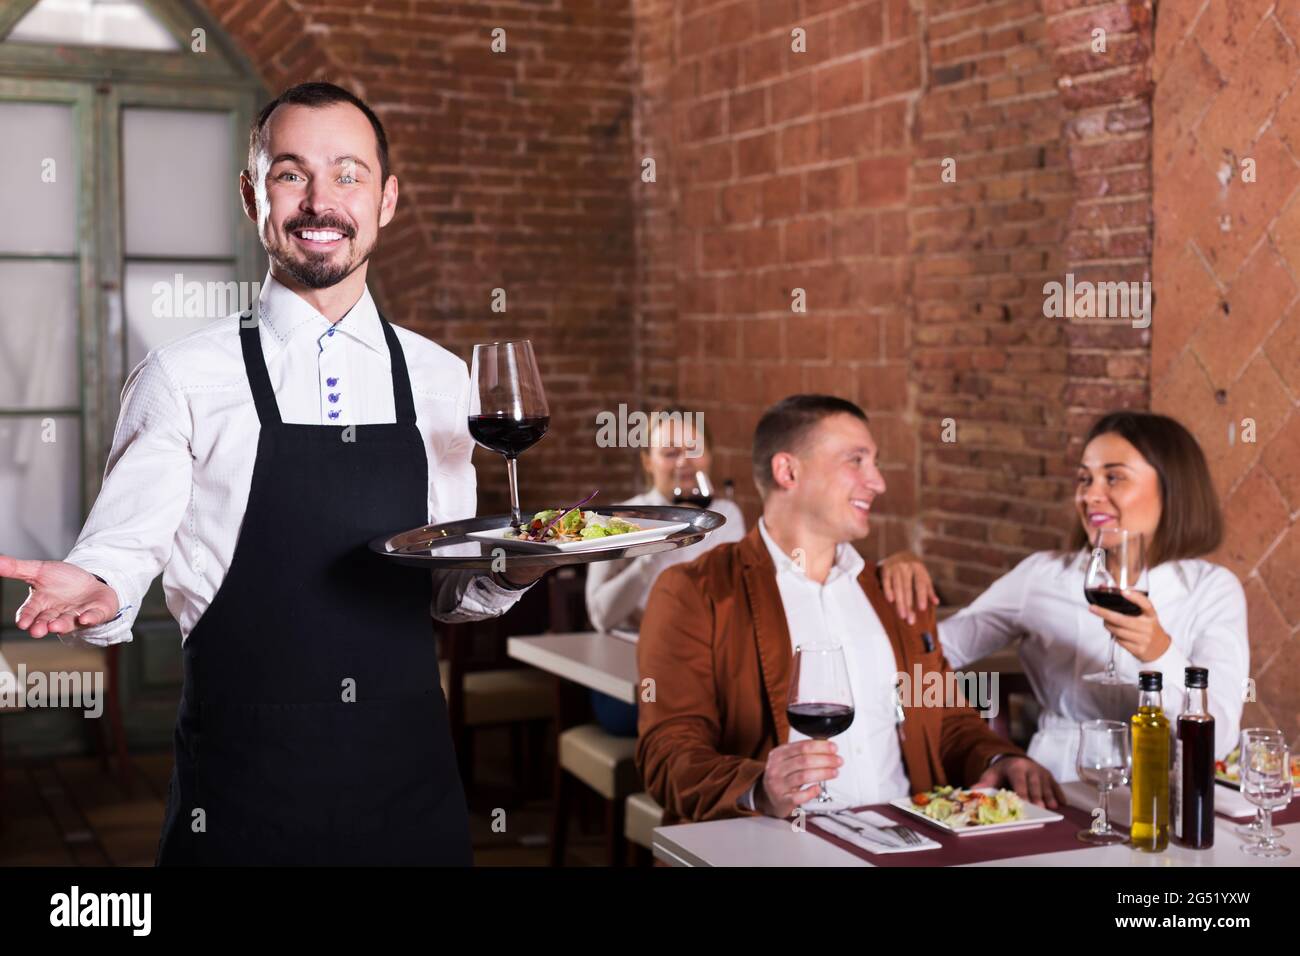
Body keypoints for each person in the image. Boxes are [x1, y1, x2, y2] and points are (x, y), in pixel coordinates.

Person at [0, 82, 545, 865]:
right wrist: (98, 585)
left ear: (387, 200)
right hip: (242, 796)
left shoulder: (442, 382)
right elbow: (122, 548)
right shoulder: (182, 378)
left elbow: (453, 591)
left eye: (348, 174)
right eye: (292, 174)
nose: (321, 201)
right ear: (252, 195)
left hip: (408, 787)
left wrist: (516, 569)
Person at [636, 395, 1062, 824]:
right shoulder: (695, 593)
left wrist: (998, 759)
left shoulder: (895, 591)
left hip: (909, 841)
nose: (877, 482)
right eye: (856, 461)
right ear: (788, 471)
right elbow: (668, 752)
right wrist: (759, 787)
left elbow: (946, 719)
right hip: (781, 847)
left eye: (874, 462)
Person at [879, 411, 1249, 782]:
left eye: (1114, 477)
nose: (1090, 495)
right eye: (1084, 479)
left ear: (1174, 488)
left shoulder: (1212, 590)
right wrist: (891, 573)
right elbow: (929, 653)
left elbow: (1216, 743)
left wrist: (1159, 654)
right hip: (1055, 786)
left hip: (1163, 795)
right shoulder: (1042, 576)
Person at [584, 409, 745, 736]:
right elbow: (601, 616)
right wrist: (649, 555)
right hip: (632, 675)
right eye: (670, 453)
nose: (684, 462)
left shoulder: (727, 516)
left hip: (707, 669)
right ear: (648, 461)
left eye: (694, 450)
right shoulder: (614, 520)